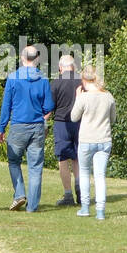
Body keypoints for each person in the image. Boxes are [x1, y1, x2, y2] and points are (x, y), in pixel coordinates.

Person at [0, 45, 54, 212]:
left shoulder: (13, 78)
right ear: (36, 59)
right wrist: (42, 116)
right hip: (37, 127)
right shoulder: (43, 79)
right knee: (35, 167)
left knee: (14, 161)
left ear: (22, 59)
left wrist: (1, 128)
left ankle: (20, 194)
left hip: (18, 126)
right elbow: (49, 106)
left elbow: (6, 106)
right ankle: (33, 206)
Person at [70, 67, 117, 220]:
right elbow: (113, 119)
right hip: (104, 139)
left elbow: (73, 117)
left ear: (84, 81)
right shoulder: (108, 96)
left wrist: (78, 98)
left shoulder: (84, 97)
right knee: (100, 176)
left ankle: (85, 207)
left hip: (86, 139)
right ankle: (100, 210)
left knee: (84, 173)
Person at [51, 53, 82, 206]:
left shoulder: (56, 82)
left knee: (63, 159)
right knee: (77, 158)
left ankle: (68, 196)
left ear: (60, 68)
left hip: (62, 122)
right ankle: (80, 191)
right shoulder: (81, 81)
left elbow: (50, 106)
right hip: (79, 123)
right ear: (73, 67)